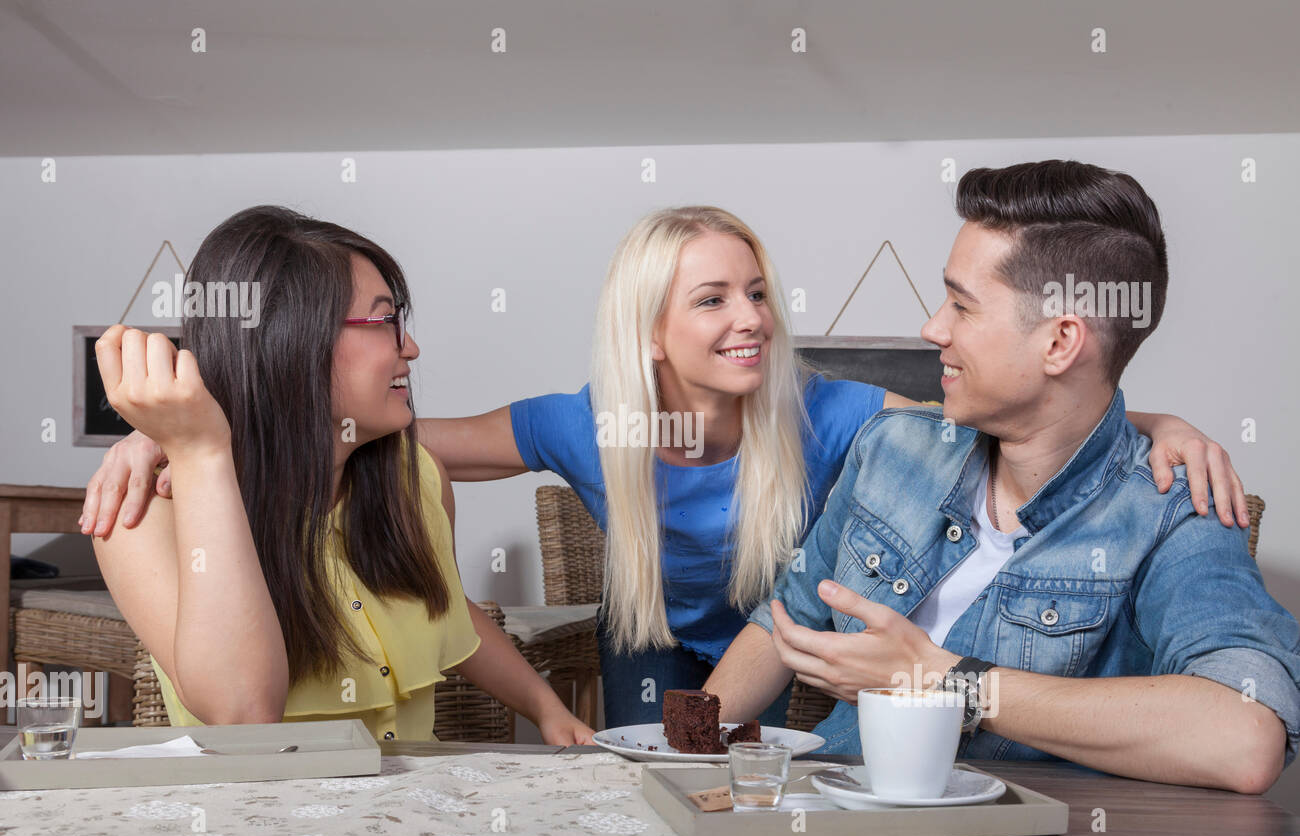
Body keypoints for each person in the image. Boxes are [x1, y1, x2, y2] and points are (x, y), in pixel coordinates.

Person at [82, 206, 1249, 733]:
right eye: (712, 298)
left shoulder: (837, 415)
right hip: (655, 634)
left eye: (757, 294)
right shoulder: (589, 426)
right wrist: (200, 434)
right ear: (650, 329)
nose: (749, 320)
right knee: (657, 756)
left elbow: (1003, 418)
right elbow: (408, 432)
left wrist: (1146, 417)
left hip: (770, 629)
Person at [704, 161, 1300, 793]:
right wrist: (678, 750)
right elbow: (781, 624)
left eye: (962, 305)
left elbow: (1246, 735)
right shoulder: (891, 449)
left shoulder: (1172, 511)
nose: (934, 328)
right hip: (839, 823)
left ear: (1060, 342)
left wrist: (940, 679)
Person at [90, 206, 594, 744]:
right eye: (383, 322)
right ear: (290, 341)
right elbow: (242, 715)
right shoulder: (139, 512)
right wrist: (199, 453)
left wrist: (546, 707)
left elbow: (447, 607)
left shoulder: (417, 479)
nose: (411, 348)